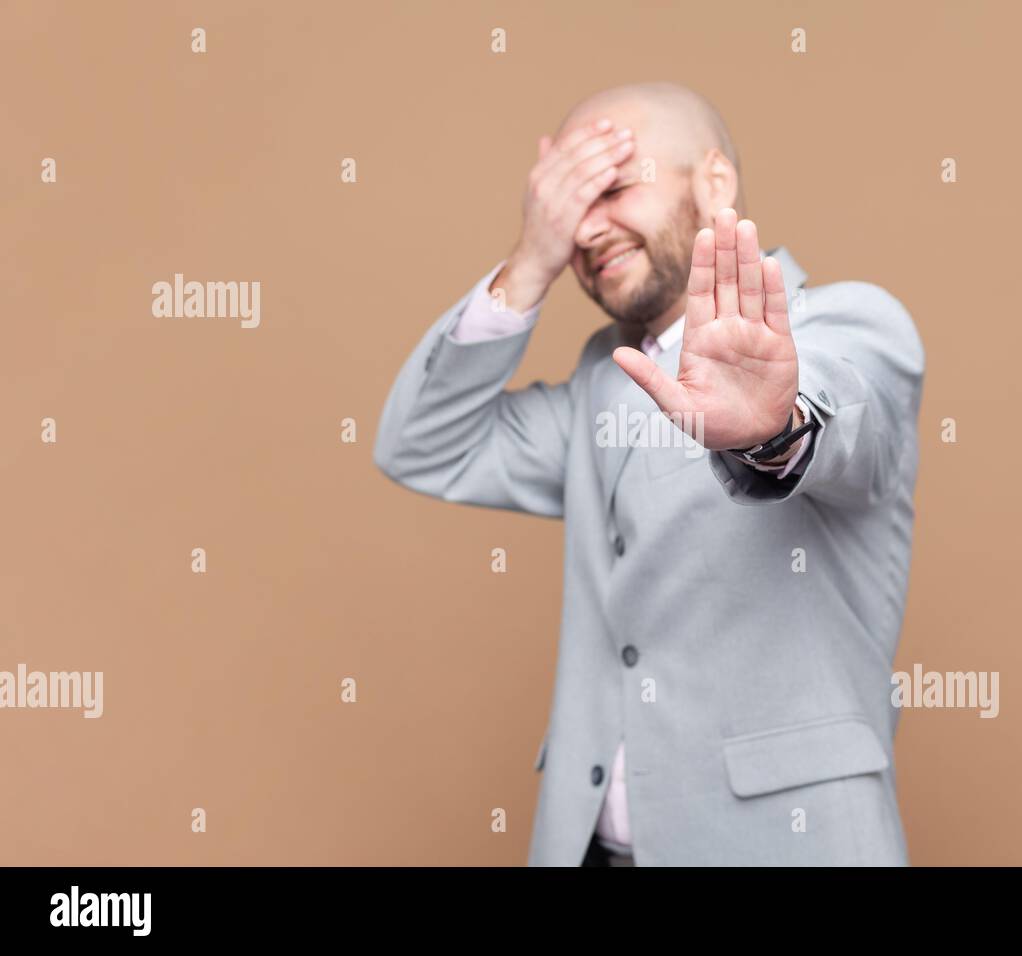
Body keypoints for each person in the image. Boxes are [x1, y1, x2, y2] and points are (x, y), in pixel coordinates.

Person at [373, 81, 924, 866]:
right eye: (567, 204)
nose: (586, 228)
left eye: (613, 187)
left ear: (715, 184)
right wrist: (529, 262)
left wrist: (771, 427)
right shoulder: (604, 381)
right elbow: (422, 444)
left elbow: (846, 425)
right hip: (591, 847)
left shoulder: (849, 325)